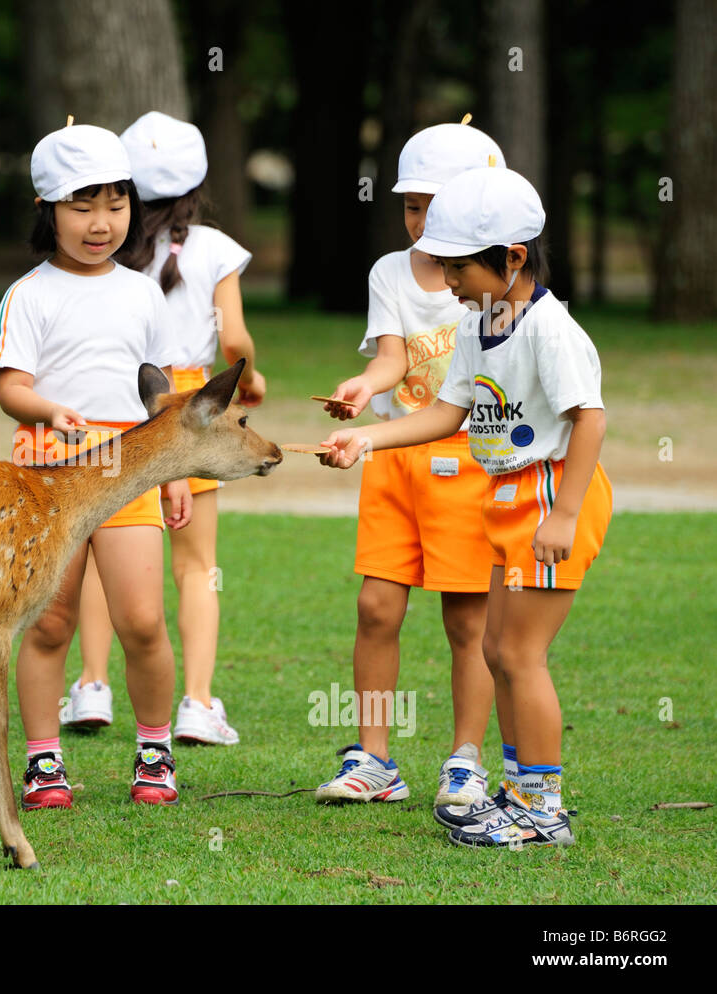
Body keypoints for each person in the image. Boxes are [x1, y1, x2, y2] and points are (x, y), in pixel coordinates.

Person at [320, 166, 611, 848]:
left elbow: (589, 420)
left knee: (521, 651)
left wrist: (564, 515)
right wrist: (368, 437)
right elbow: (447, 412)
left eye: (458, 268)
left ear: (512, 258)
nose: (447, 281)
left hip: (548, 494)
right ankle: (515, 794)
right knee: (494, 648)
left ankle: (542, 810)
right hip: (507, 497)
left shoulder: (549, 330)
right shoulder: (479, 325)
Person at [0, 120, 190, 809]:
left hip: (129, 473)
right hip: (46, 479)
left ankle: (156, 751)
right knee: (48, 624)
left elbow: (163, 396)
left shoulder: (141, 292)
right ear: (48, 211)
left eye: (115, 203)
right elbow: (10, 387)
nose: (100, 222)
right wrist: (45, 411)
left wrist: (179, 472)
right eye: (82, 206)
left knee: (142, 621)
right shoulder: (28, 294)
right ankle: (45, 761)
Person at [313, 121, 505, 809]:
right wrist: (365, 388)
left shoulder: (492, 280)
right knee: (375, 606)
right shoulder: (390, 271)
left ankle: (466, 759)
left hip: (471, 461)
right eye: (411, 204)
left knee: (468, 621)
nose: (420, 219)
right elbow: (393, 358)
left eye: (435, 203)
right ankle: (375, 759)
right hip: (393, 455)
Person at [59, 111, 265, 747]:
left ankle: (92, 685)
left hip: (123, 415)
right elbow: (232, 339)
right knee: (196, 565)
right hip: (194, 413)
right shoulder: (215, 249)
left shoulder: (107, 248)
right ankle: (198, 703)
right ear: (198, 183)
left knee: (101, 555)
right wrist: (249, 380)